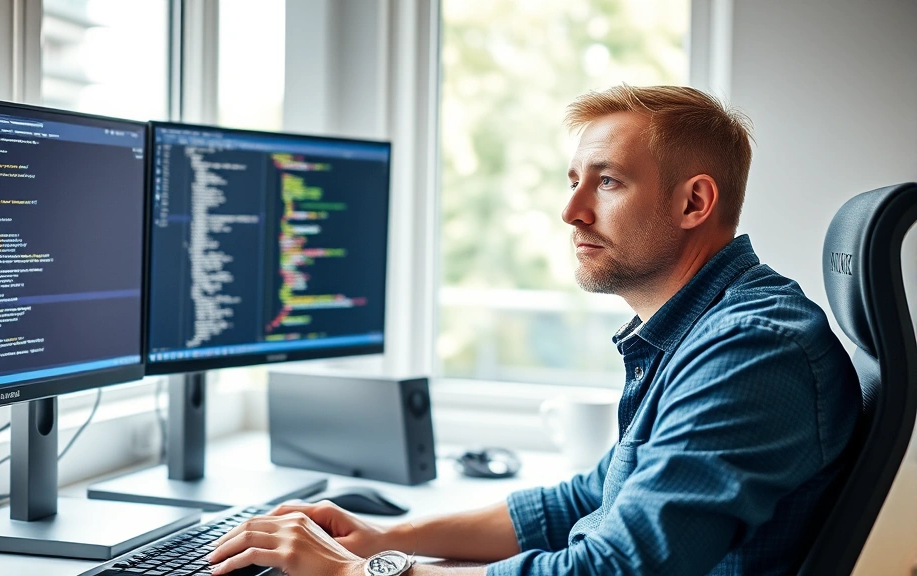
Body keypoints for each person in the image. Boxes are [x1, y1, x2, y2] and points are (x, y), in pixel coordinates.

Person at [204, 85, 861, 576]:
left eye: (607, 182)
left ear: (694, 202)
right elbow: (587, 497)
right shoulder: (699, 333)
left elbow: (614, 570)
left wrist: (361, 573)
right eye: (574, 181)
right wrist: (385, 537)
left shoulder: (752, 349)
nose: (571, 211)